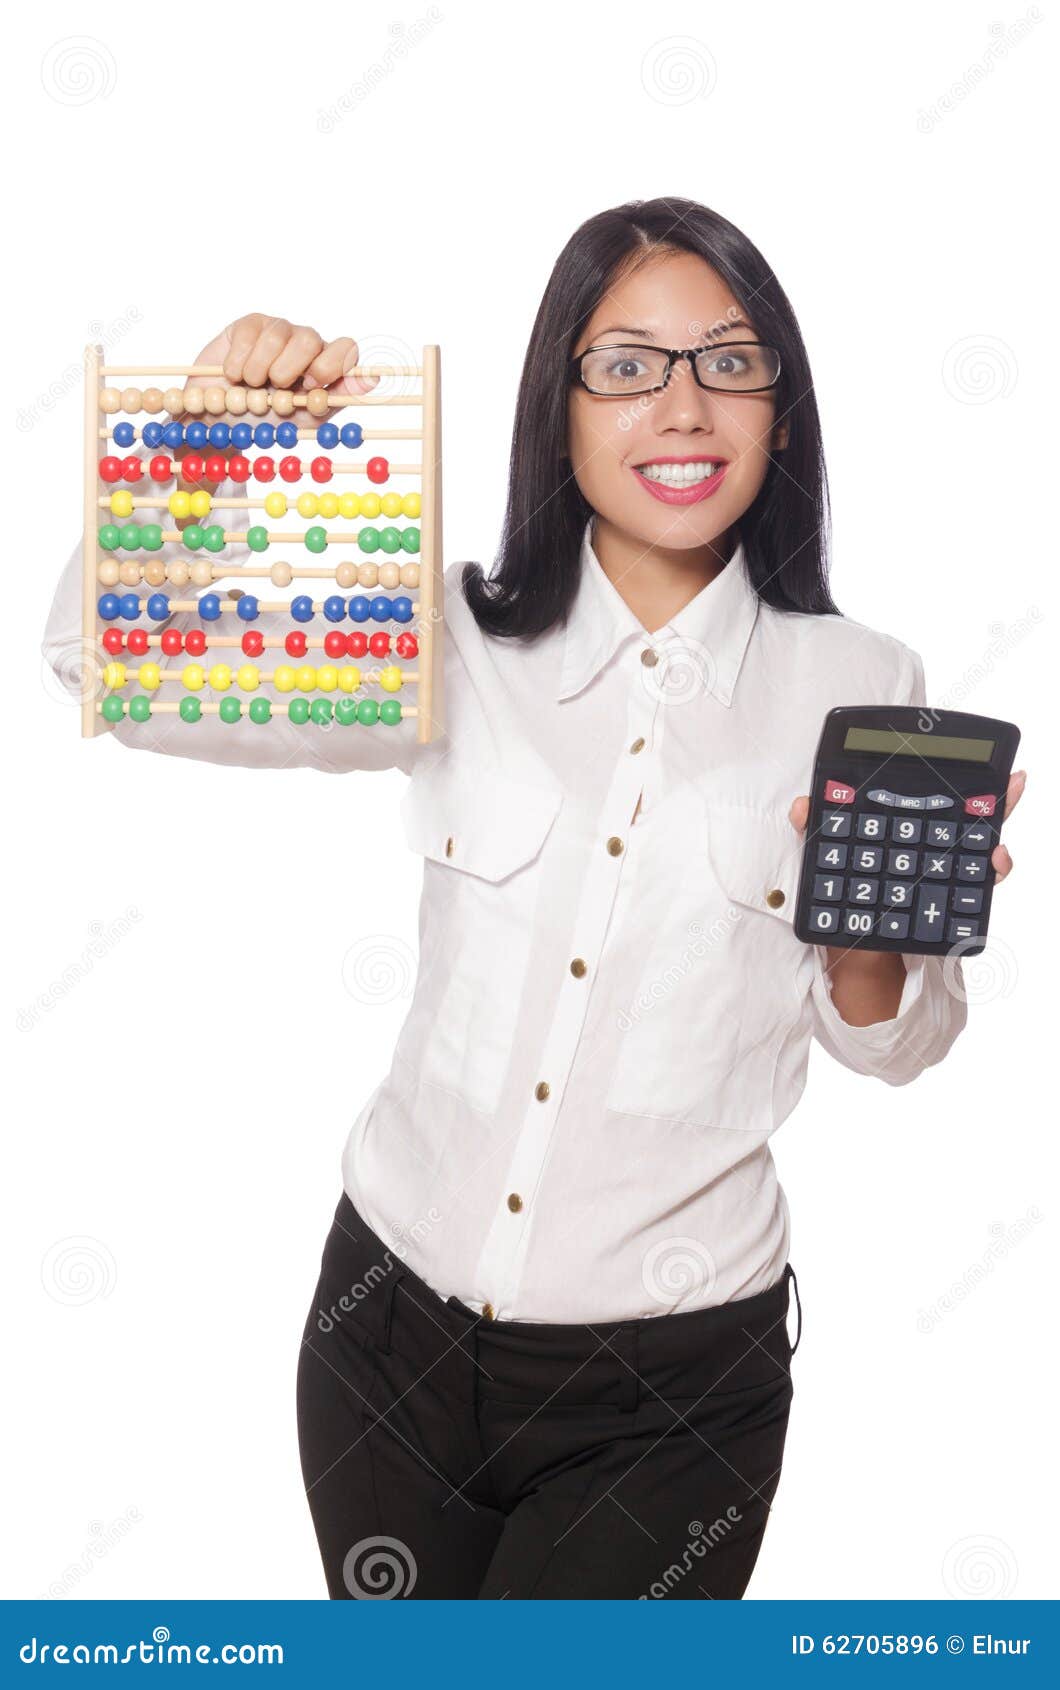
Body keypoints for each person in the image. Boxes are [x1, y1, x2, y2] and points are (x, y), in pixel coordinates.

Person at [43, 197, 1024, 1600]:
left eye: (729, 363)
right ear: (555, 409)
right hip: (385, 1350)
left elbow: (895, 1043)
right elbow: (106, 667)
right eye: (627, 366)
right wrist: (210, 440)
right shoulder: (444, 637)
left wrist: (874, 953)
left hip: (670, 1398)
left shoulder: (862, 682)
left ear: (785, 413)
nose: (682, 407)